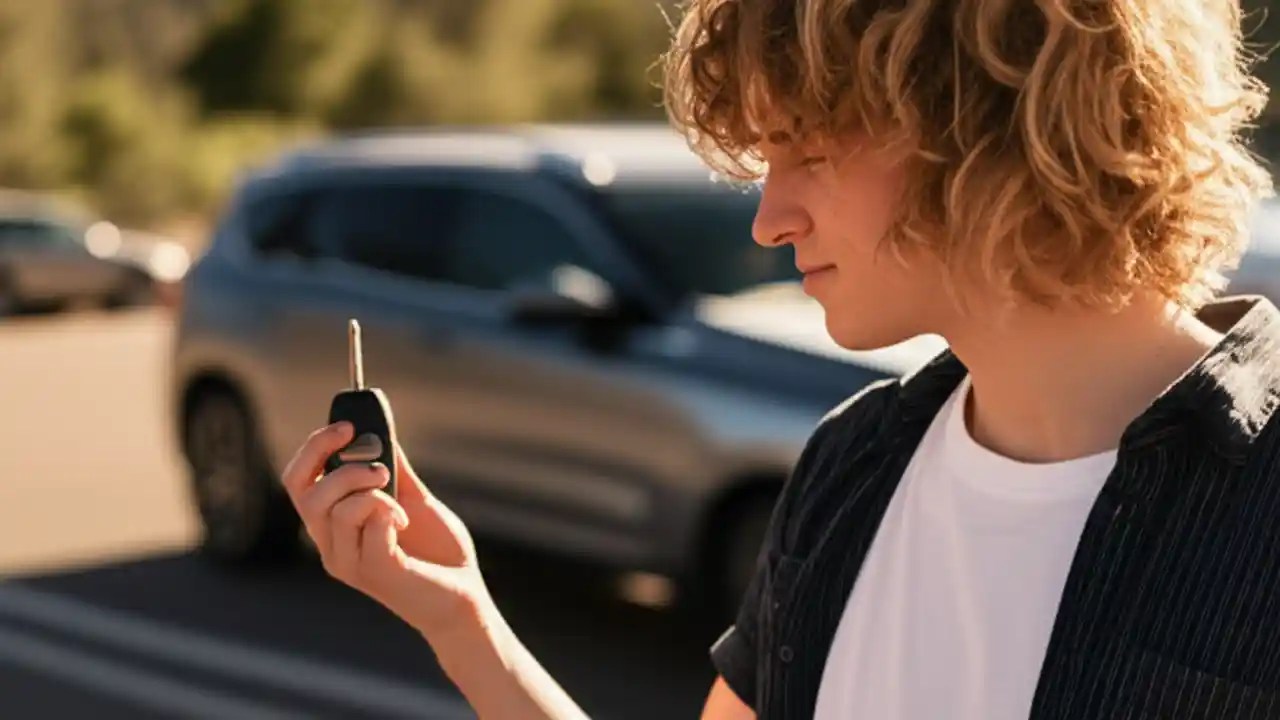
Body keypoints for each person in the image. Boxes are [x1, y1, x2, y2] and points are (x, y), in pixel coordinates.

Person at [280, 0, 1280, 717]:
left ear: (987, 116)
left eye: (805, 149)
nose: (767, 219)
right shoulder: (851, 465)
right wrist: (464, 623)